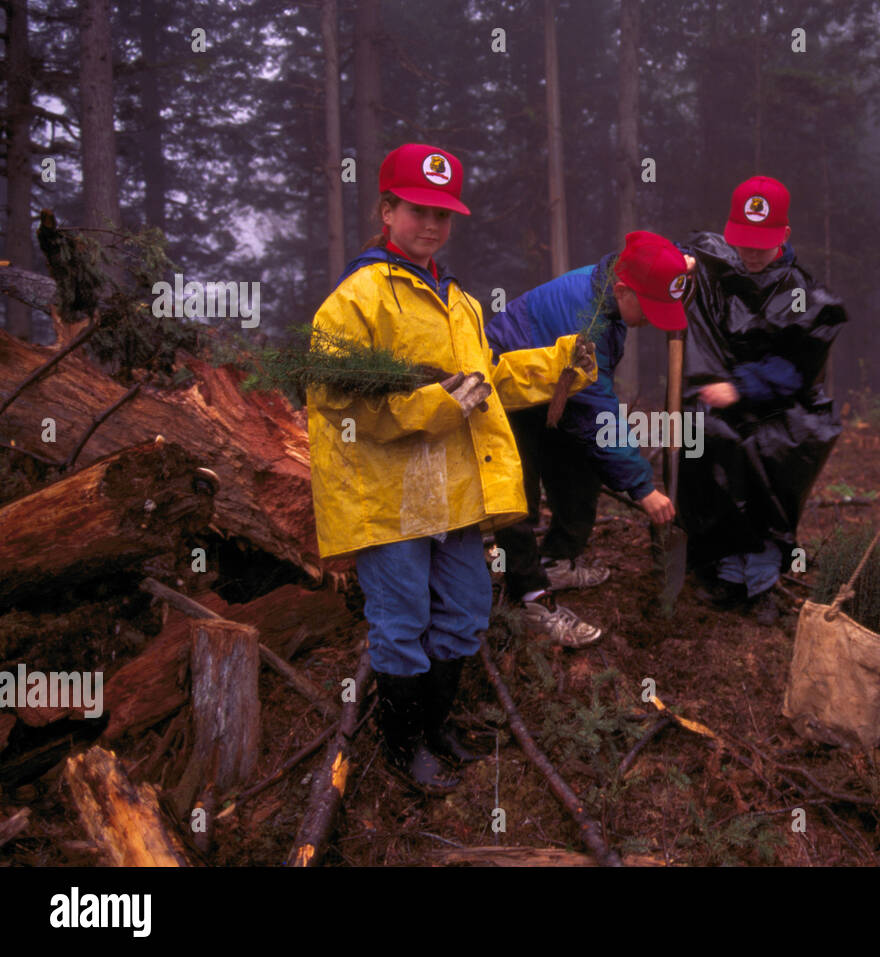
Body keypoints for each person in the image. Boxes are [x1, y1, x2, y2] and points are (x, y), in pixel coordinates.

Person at [307, 144, 594, 792]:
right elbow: (338, 403)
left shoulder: (458, 301)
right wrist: (433, 406)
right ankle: (404, 748)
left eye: (443, 214)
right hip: (387, 496)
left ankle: (437, 728)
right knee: (401, 623)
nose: (432, 225)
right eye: (418, 210)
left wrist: (557, 364)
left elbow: (489, 379)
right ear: (387, 209)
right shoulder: (357, 300)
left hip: (452, 491)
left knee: (465, 611)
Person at [486, 231, 688, 646]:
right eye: (649, 308)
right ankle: (531, 598)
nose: (652, 320)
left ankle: (559, 558)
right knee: (515, 496)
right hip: (506, 388)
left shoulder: (613, 289)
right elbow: (598, 413)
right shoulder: (588, 322)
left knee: (579, 466)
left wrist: (680, 269)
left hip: (551, 386)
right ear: (622, 290)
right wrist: (642, 487)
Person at [677, 176, 847, 625]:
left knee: (769, 467)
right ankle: (728, 574)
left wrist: (742, 387)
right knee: (712, 452)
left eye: (762, 245)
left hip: (781, 407)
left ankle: (762, 583)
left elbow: (798, 366)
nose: (751, 254)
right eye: (744, 244)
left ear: (785, 237)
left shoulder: (801, 292)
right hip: (723, 401)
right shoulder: (718, 269)